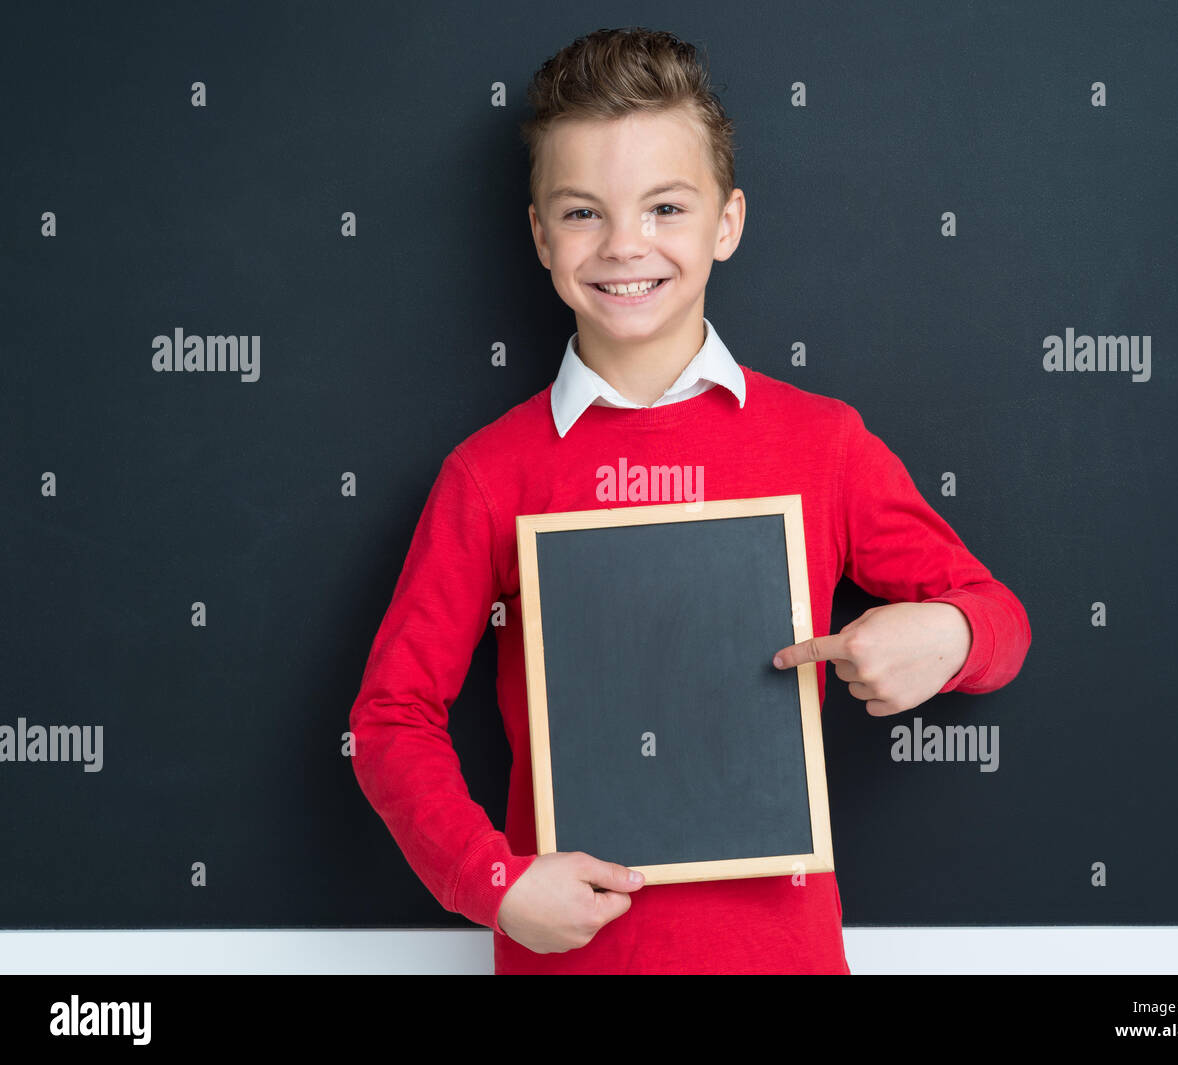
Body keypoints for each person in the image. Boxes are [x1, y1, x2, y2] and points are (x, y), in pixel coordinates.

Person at [348, 26, 1031, 974]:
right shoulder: (490, 473)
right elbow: (390, 718)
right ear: (540, 233)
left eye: (666, 206)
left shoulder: (821, 444)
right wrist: (494, 882)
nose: (626, 245)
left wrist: (947, 638)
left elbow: (1001, 620)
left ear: (727, 222)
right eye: (583, 212)